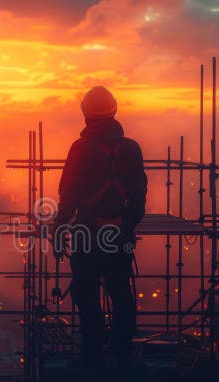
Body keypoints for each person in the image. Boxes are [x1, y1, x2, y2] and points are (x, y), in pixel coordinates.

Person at [54, 86, 148, 367]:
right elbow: (139, 195)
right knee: (120, 289)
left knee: (86, 290)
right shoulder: (131, 149)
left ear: (85, 115)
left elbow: (68, 194)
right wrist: (128, 226)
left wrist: (60, 230)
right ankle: (121, 349)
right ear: (114, 111)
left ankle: (93, 351)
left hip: (87, 234)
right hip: (120, 235)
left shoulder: (80, 149)